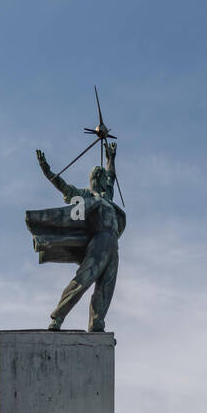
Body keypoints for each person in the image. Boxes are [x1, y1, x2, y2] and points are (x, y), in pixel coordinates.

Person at [28, 140, 125, 333]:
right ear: (91, 180)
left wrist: (111, 158)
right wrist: (47, 171)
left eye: (101, 174)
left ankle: (97, 324)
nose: (100, 176)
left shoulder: (107, 198)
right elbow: (63, 187)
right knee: (83, 280)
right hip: (99, 240)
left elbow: (111, 176)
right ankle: (58, 317)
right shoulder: (85, 197)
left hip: (113, 244)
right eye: (96, 174)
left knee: (106, 287)